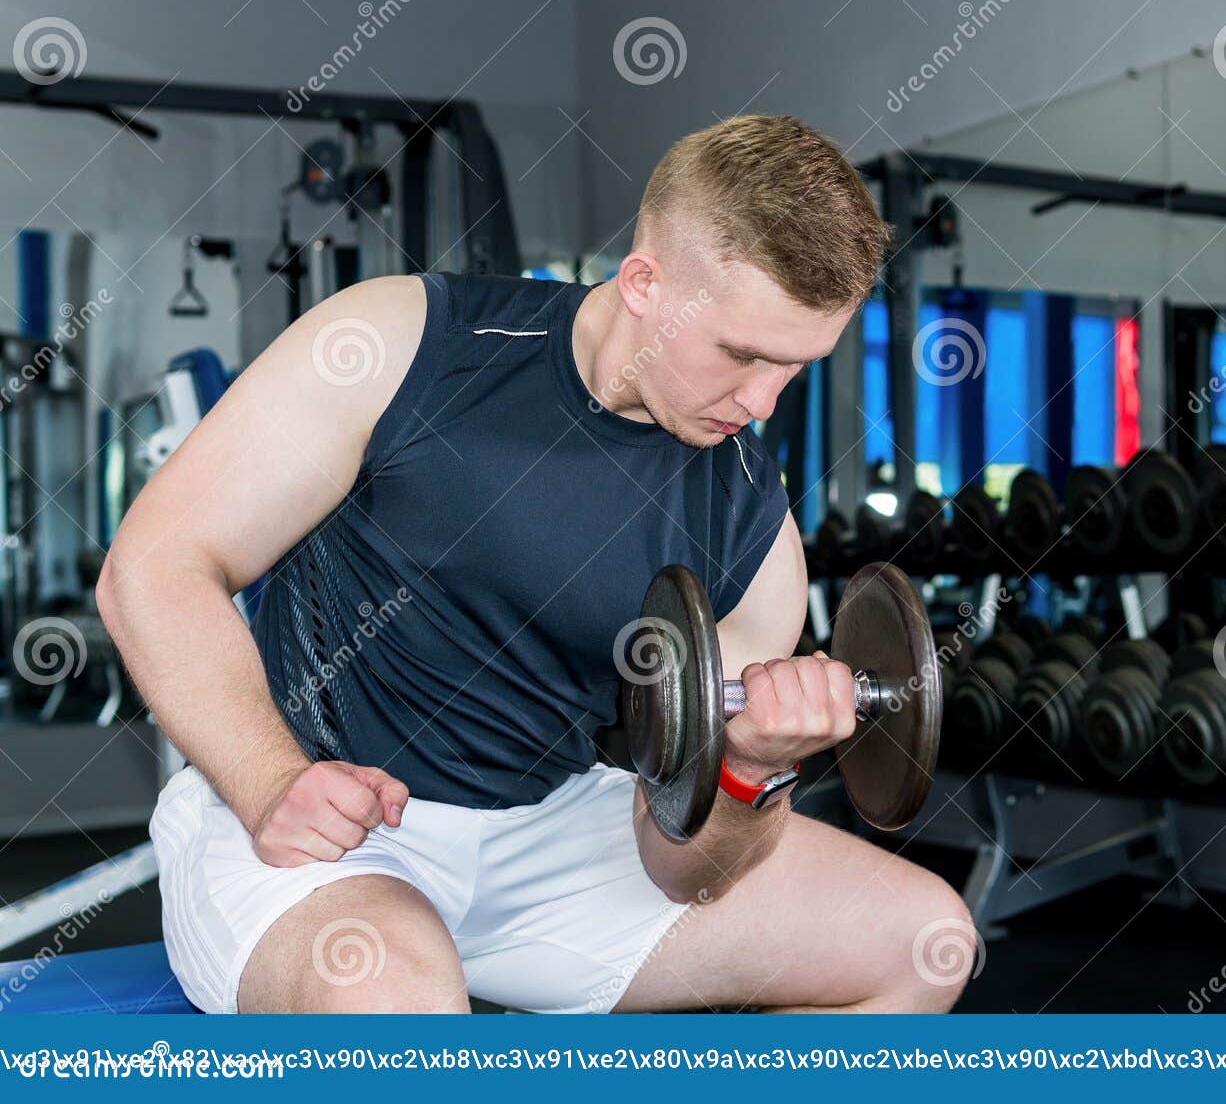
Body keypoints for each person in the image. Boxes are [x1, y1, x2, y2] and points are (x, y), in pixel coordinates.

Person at [99, 114, 976, 1014]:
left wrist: (750, 771)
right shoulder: (407, 345)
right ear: (644, 282)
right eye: (742, 354)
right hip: (324, 826)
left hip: (550, 832)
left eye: (793, 367)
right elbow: (156, 564)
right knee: (392, 990)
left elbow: (682, 865)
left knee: (923, 939)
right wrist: (269, 780)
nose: (760, 401)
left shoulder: (753, 534)